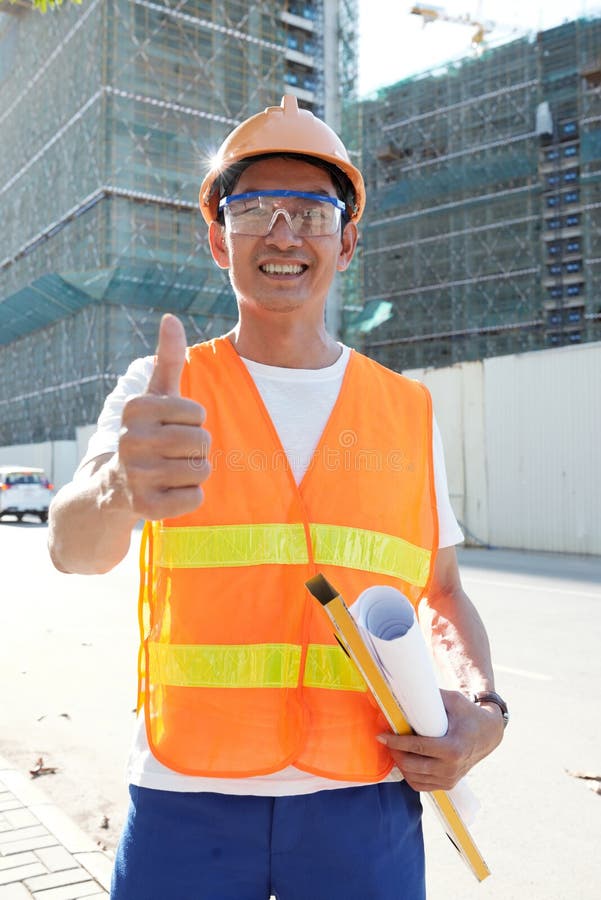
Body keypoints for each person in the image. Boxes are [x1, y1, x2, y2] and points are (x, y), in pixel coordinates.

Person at [48, 95, 507, 900]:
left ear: (348, 241)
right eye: (253, 209)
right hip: (186, 795)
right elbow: (71, 550)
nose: (283, 233)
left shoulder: (406, 409)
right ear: (219, 241)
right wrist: (119, 485)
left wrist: (483, 705)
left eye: (312, 212)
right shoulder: (161, 391)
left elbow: (441, 591)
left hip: (365, 794)